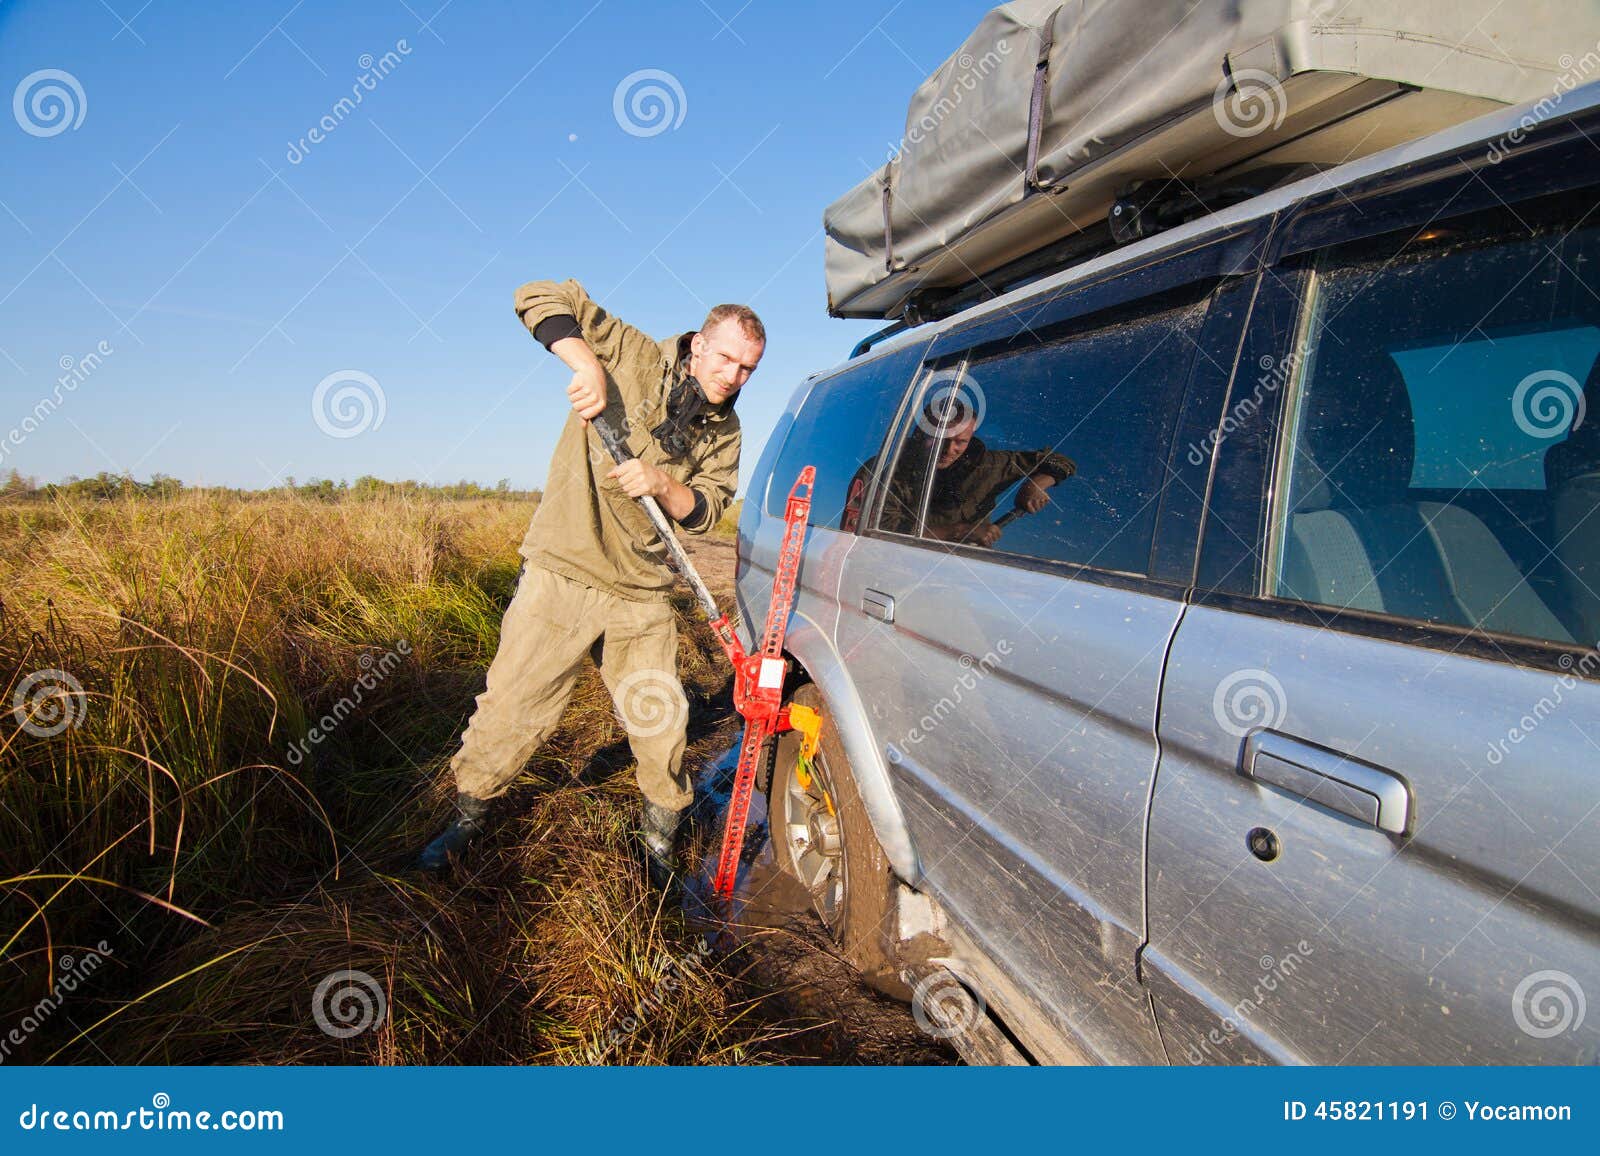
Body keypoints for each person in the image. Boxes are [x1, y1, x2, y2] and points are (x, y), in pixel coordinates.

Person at [417, 278, 765, 886]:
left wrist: (662, 484)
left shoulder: (726, 432)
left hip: (643, 589)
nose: (734, 376)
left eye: (748, 369)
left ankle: (659, 841)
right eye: (727, 358)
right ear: (698, 345)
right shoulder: (630, 352)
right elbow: (539, 294)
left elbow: (707, 509)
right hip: (565, 570)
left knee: (661, 722)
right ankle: (465, 820)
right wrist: (586, 365)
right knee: (513, 708)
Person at [846, 401, 1074, 543]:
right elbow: (879, 534)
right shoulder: (884, 471)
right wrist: (958, 531)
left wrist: (1035, 484)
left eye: (960, 442)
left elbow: (1059, 460)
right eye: (940, 439)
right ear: (921, 433)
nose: (948, 450)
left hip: (967, 579)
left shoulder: (987, 465)